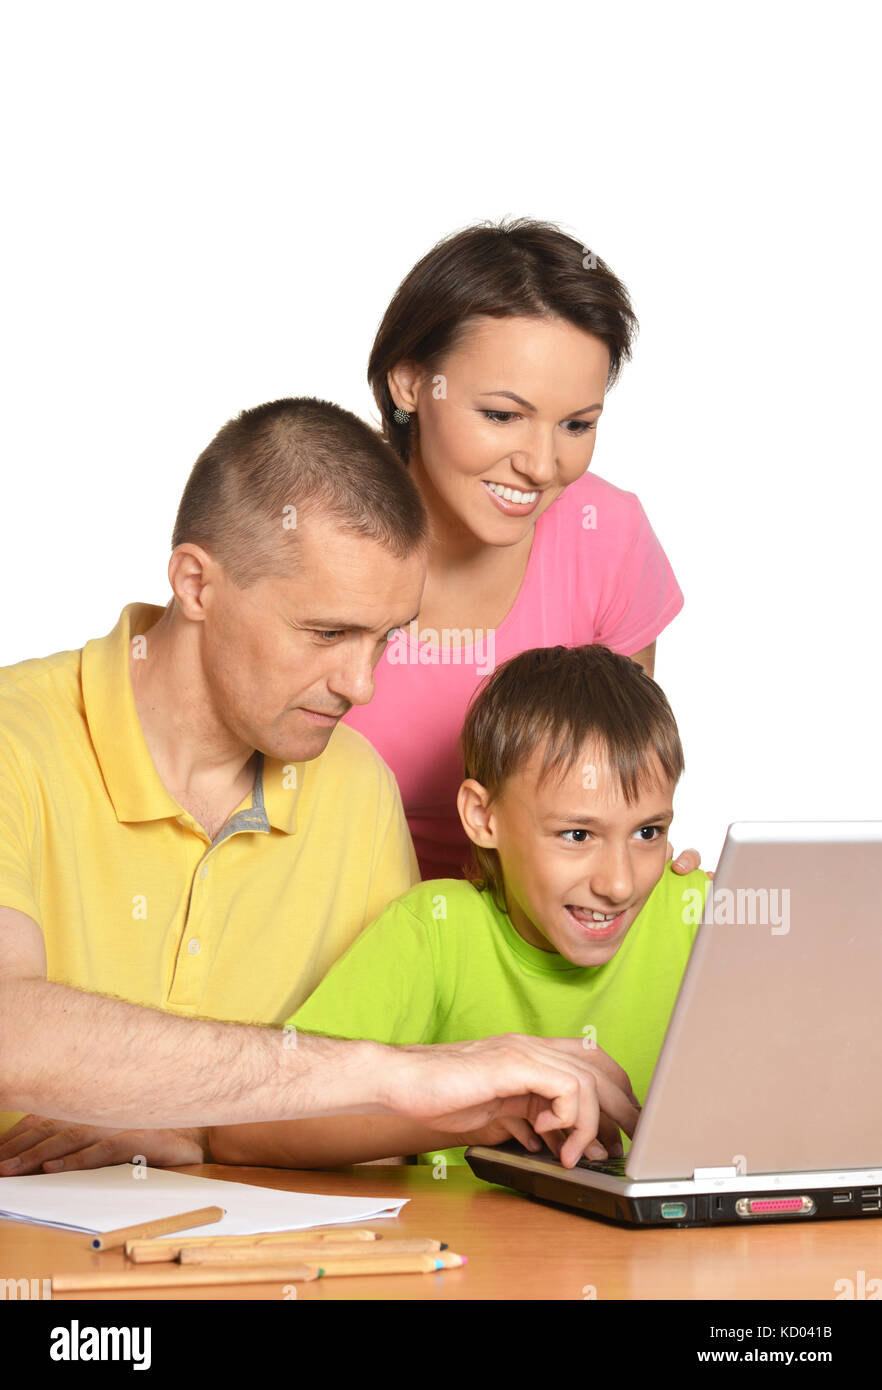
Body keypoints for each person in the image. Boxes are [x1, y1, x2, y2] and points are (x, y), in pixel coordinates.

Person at [0, 398, 641, 1175]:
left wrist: (632, 869)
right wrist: (390, 1077)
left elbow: (375, 1120)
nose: (362, 684)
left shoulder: (357, 786)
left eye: (387, 637)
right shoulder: (17, 738)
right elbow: (11, 1029)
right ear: (197, 584)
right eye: (328, 634)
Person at [208, 644, 710, 1170]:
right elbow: (247, 1128)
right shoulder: (433, 932)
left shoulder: (704, 918)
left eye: (648, 832)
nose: (619, 882)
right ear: (482, 817)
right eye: (578, 834)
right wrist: (478, 1110)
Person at [344, 218, 686, 880]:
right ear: (409, 383)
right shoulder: (316, 535)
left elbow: (617, 793)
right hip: (335, 934)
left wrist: (645, 874)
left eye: (576, 425)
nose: (540, 464)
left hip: (533, 939)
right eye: (502, 415)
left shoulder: (607, 536)